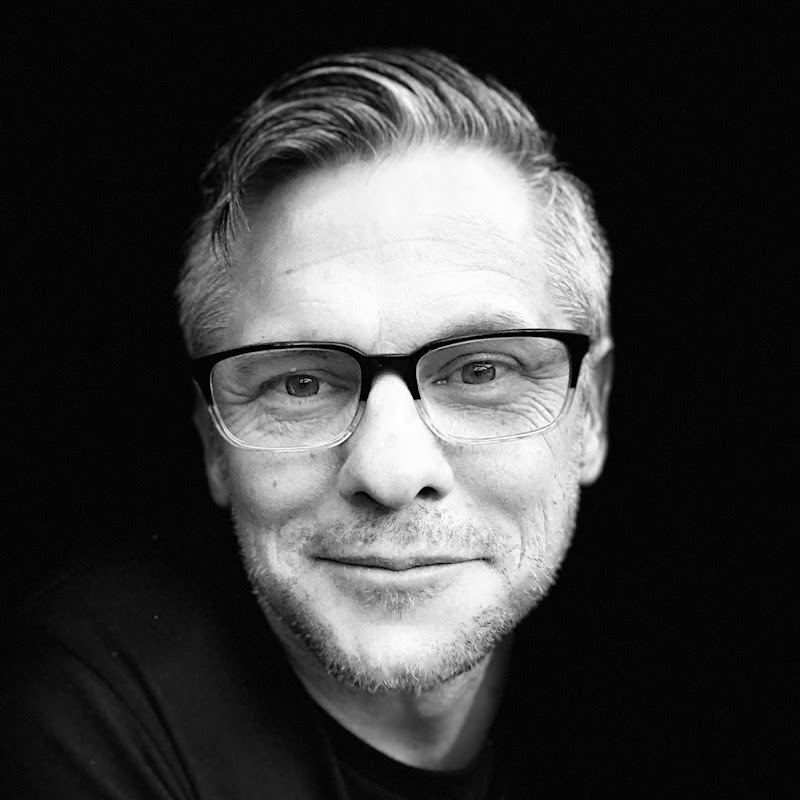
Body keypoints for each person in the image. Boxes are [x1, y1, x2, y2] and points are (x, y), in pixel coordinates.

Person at [2, 48, 614, 797]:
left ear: (590, 411)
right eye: (300, 384)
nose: (390, 473)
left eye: (480, 372)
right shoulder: (83, 709)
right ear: (212, 439)